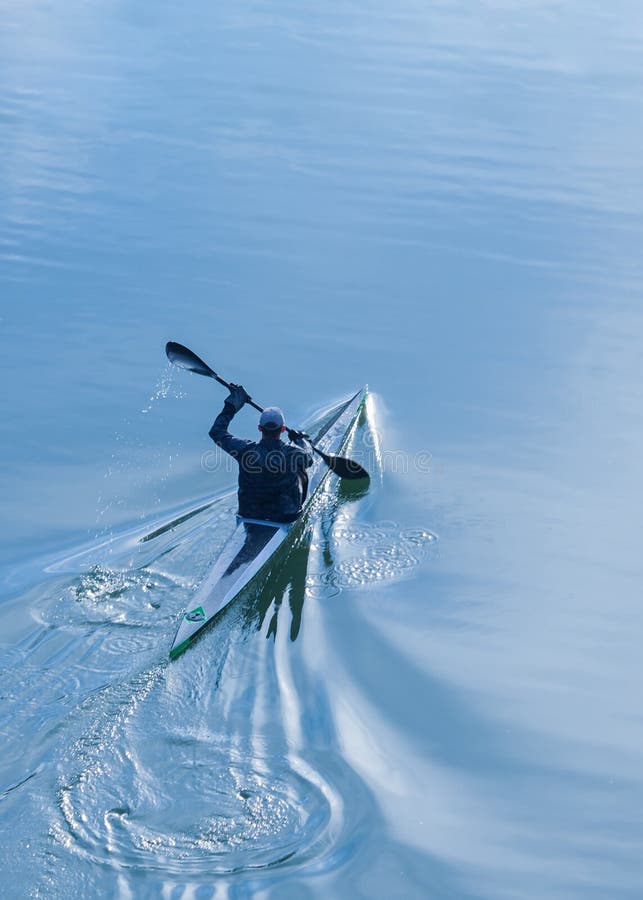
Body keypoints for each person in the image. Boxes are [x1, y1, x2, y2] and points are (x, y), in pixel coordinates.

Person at [209, 383, 313, 523]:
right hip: (285, 515)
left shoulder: (244, 449)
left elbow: (216, 432)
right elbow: (309, 458)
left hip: (249, 514)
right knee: (302, 471)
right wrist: (302, 440)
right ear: (282, 429)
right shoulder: (292, 453)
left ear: (259, 428)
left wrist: (232, 405)